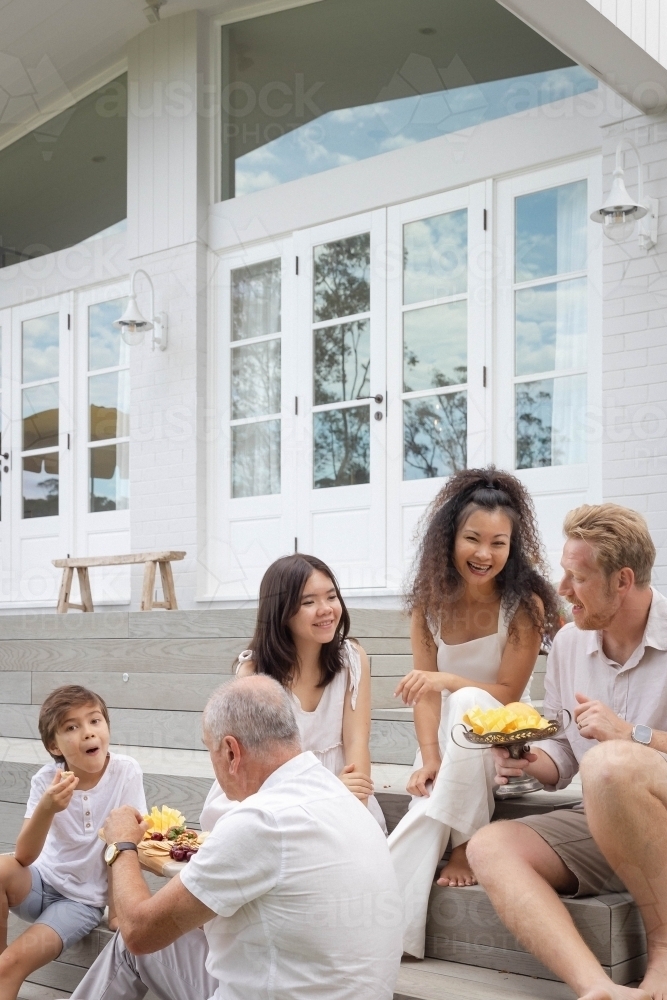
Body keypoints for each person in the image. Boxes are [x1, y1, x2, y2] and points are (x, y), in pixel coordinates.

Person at [70, 675, 402, 1000]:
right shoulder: (339, 797)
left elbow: (139, 933)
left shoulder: (261, 820)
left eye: (209, 751)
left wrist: (122, 845)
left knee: (130, 945)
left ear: (231, 751)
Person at [468, 503, 667, 1000]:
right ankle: (596, 988)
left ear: (623, 580)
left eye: (577, 577)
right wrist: (530, 759)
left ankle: (663, 946)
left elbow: (610, 753)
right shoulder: (569, 645)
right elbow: (564, 750)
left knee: (611, 762)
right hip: (603, 814)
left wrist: (632, 736)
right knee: (488, 846)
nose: (561, 589)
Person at [388, 467, 559, 958]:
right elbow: (425, 694)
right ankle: (459, 837)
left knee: (465, 700)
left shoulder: (522, 605)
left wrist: (447, 681)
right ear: (450, 539)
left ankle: (466, 842)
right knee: (454, 712)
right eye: (472, 539)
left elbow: (506, 693)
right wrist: (429, 758)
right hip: (451, 743)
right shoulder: (430, 603)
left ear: (513, 547)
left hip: (505, 742)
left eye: (498, 543)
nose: (484, 554)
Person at [200, 553, 386, 832]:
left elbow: (358, 742)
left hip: (345, 789)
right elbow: (260, 770)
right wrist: (329, 793)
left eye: (331, 597)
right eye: (308, 602)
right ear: (282, 611)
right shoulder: (254, 673)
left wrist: (352, 806)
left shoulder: (352, 658)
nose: (325, 609)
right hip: (272, 796)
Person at [0, 685, 146, 1000]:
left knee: (9, 966)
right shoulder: (45, 780)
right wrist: (47, 808)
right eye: (72, 727)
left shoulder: (125, 772)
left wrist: (117, 909)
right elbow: (23, 856)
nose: (88, 733)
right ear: (54, 745)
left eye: (95, 721)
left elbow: (122, 845)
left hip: (79, 903)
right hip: (39, 883)